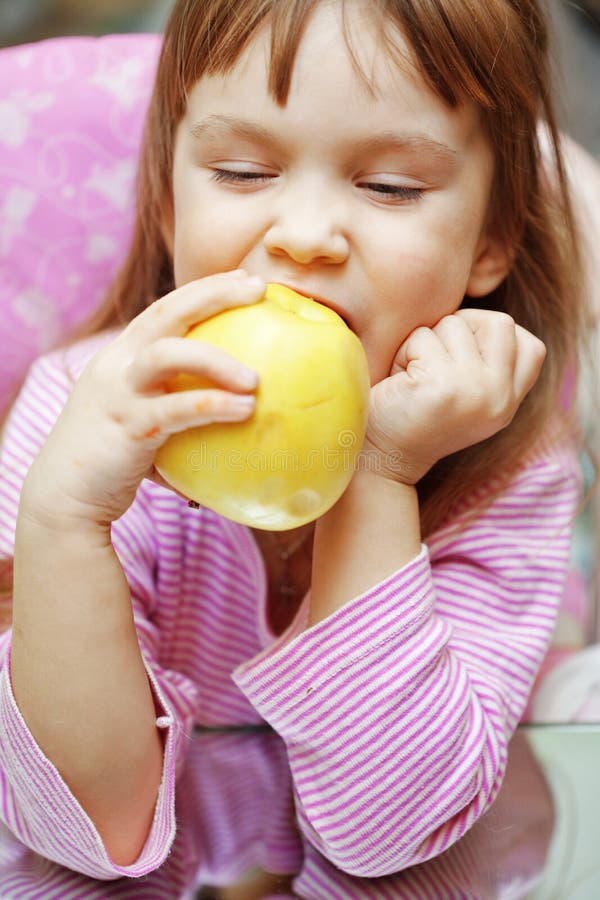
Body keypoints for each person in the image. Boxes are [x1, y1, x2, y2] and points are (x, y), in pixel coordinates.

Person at [0, 0, 592, 892]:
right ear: (168, 202)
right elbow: (89, 834)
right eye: (240, 172)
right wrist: (65, 522)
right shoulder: (78, 423)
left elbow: (390, 834)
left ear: (491, 242)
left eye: (390, 186)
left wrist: (380, 474)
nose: (305, 236)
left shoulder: (510, 465)